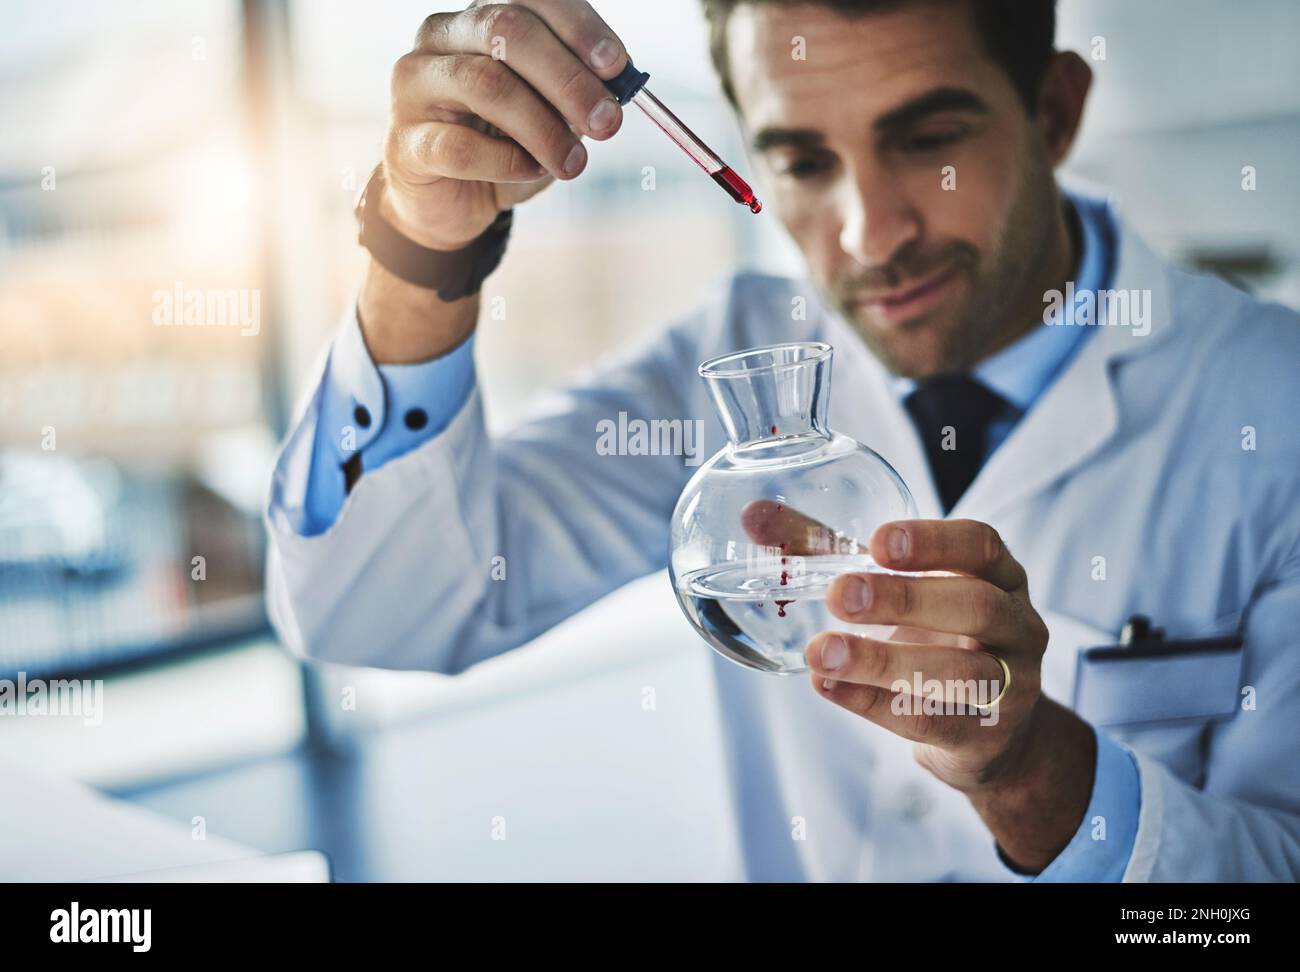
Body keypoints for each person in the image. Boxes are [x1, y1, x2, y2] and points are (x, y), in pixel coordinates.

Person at [264, 0, 1300, 881]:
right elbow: (371, 604)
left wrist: (1034, 774)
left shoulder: (1273, 403)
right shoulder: (723, 361)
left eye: (929, 140)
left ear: (1055, 109)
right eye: (801, 161)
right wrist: (423, 249)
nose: (867, 235)